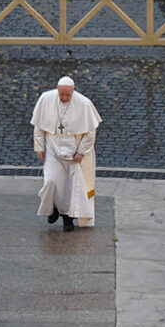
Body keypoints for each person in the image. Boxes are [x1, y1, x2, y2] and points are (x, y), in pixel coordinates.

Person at [31, 76, 101, 231]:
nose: (64, 98)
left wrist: (81, 152)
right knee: (51, 182)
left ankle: (67, 219)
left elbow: (90, 132)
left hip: (72, 153)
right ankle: (53, 209)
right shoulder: (46, 99)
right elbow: (38, 126)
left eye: (67, 95)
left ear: (73, 91)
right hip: (53, 150)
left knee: (70, 188)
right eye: (61, 95)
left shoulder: (84, 104)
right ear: (57, 90)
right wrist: (39, 147)